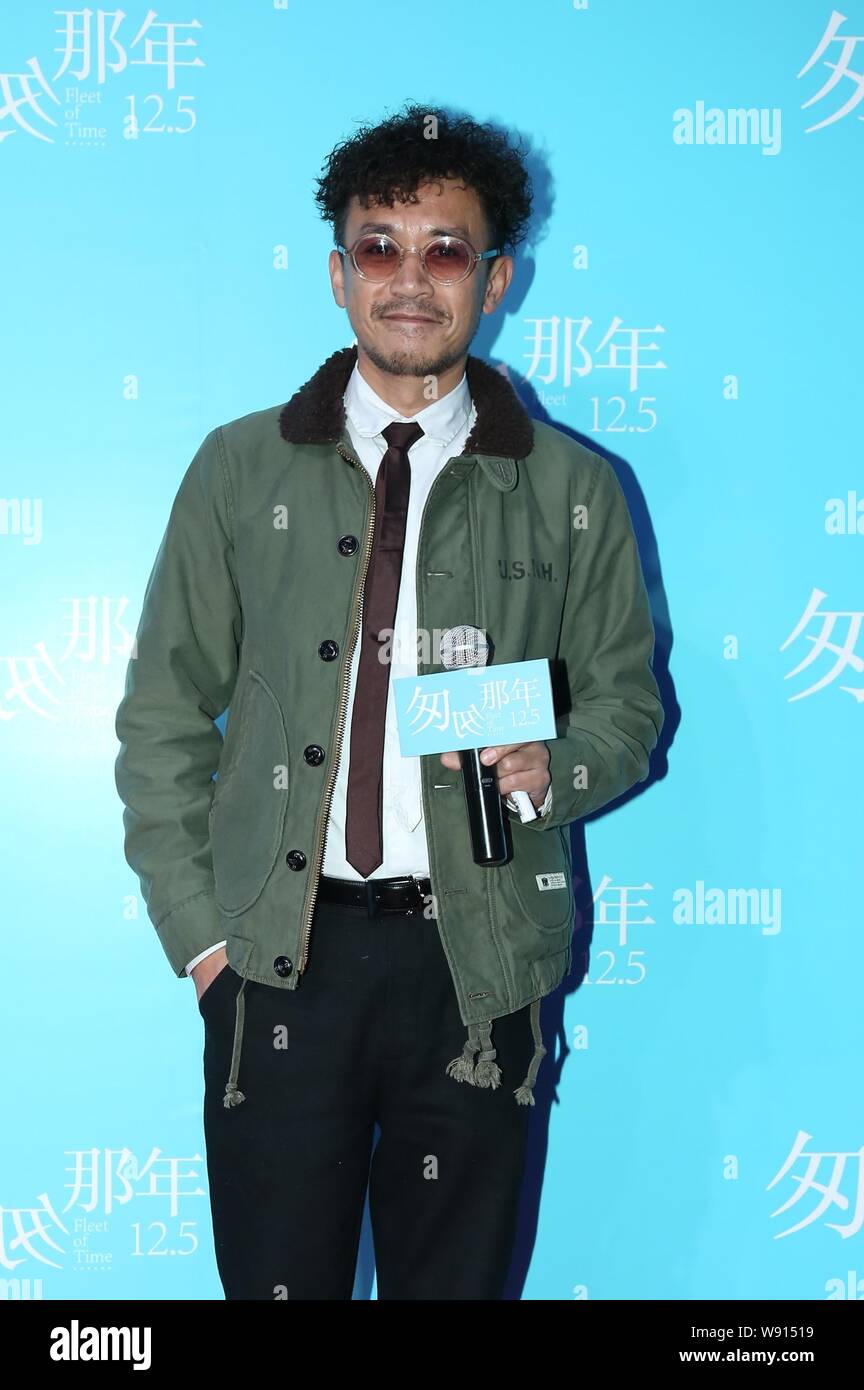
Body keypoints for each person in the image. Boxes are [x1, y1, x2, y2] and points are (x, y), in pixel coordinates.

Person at [114, 101, 665, 1300]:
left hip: (482, 964)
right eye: (379, 246)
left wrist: (551, 764)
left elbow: (629, 704)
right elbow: (162, 718)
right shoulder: (237, 468)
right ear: (336, 271)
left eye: (446, 250)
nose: (409, 280)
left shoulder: (573, 487)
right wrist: (208, 947)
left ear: (496, 276)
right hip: (277, 961)